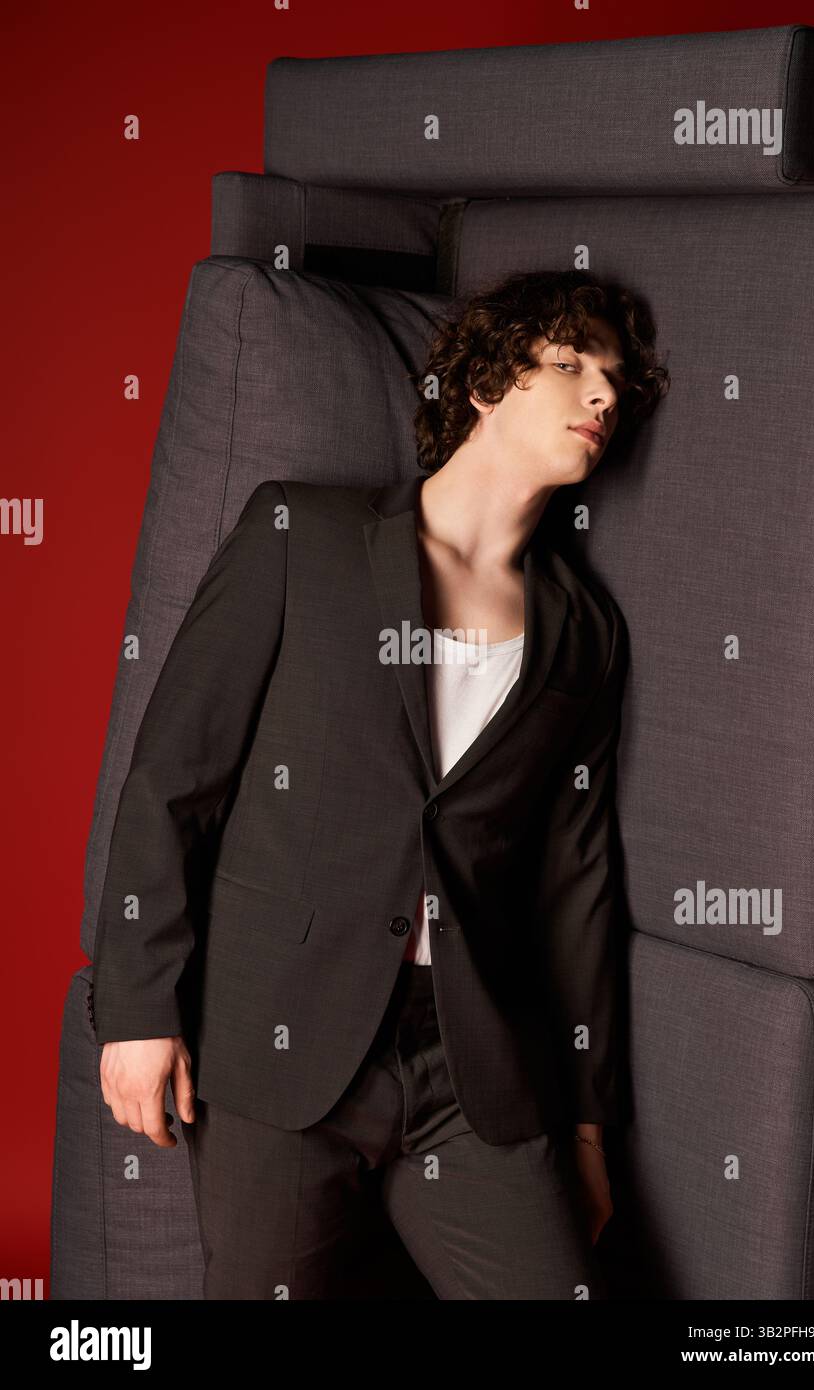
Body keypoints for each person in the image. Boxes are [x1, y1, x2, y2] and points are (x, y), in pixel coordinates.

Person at [91, 267, 670, 1299]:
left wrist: (585, 1128)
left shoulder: (583, 634)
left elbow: (573, 885)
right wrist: (137, 1006)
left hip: (471, 1065)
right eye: (569, 364)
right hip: (281, 1044)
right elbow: (174, 775)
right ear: (487, 386)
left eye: (614, 380)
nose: (602, 396)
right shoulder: (300, 536)